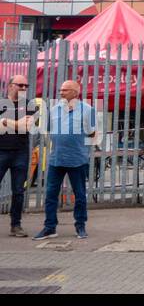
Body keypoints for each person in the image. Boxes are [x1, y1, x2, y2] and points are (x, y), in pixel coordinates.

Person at [34, 80, 96, 241]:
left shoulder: (88, 110)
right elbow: (48, 129)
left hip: (77, 159)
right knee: (51, 194)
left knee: (80, 194)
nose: (61, 93)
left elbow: (93, 133)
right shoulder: (54, 110)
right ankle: (49, 227)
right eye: (60, 90)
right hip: (56, 158)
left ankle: (80, 225)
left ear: (75, 92)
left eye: (65, 90)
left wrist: (82, 147)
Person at [1, 73, 37, 237]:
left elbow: (27, 127)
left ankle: (16, 225)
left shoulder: (30, 105)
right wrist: (16, 124)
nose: (23, 88)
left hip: (20, 153)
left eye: (25, 86)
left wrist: (6, 122)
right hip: (1, 151)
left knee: (18, 191)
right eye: (20, 85)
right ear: (10, 86)